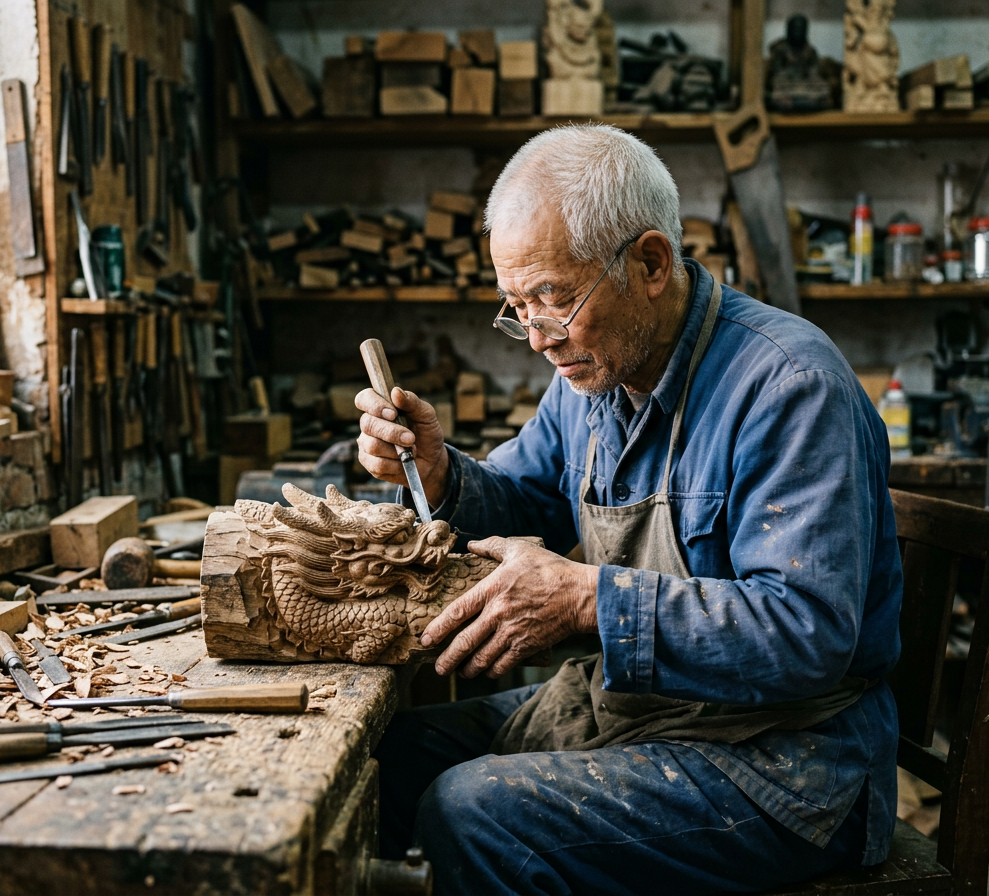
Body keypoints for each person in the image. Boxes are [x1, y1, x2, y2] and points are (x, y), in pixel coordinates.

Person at [355, 124, 901, 895]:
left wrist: (585, 600)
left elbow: (807, 632)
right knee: (386, 756)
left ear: (650, 262)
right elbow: (526, 501)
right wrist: (442, 475)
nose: (538, 339)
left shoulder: (788, 386)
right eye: (518, 309)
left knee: (470, 809)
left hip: (786, 763)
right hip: (644, 712)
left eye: (553, 300)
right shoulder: (592, 375)